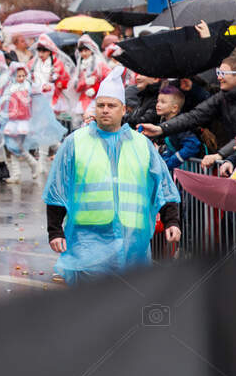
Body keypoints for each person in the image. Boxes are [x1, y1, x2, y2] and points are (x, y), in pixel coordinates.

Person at [44, 68, 181, 283]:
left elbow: (162, 186)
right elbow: (57, 190)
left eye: (111, 106)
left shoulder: (141, 144)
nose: (105, 110)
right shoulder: (75, 143)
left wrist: (171, 221)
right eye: (101, 105)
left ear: (123, 109)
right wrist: (55, 231)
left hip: (132, 243)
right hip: (87, 240)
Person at [140, 40, 236, 156]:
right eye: (218, 73)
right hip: (234, 154)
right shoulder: (223, 94)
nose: (219, 77)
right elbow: (194, 116)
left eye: (223, 74)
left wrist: (220, 155)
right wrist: (161, 128)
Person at [146, 82, 208, 174]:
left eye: (163, 102)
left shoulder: (182, 127)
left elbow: (192, 146)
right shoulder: (164, 123)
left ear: (174, 108)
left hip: (191, 172)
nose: (158, 105)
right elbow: (172, 148)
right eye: (158, 101)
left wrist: (171, 162)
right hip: (180, 171)